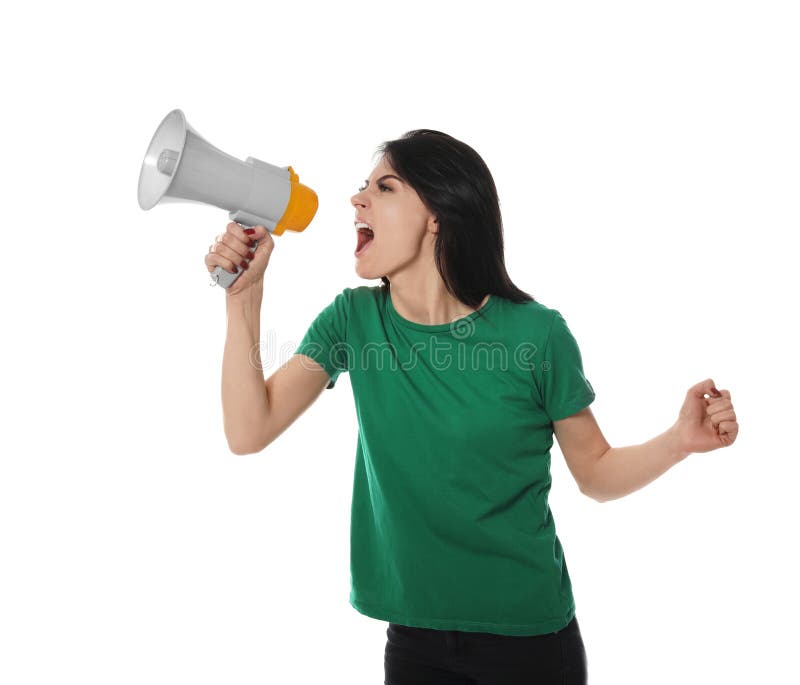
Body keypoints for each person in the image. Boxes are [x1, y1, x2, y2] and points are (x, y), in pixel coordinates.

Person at [204, 130, 739, 685]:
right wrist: (242, 299)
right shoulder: (352, 322)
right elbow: (249, 430)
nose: (356, 200)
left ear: (438, 214)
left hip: (530, 645)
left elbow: (596, 473)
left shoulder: (536, 335)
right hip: (414, 640)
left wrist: (678, 440)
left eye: (384, 188)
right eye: (363, 188)